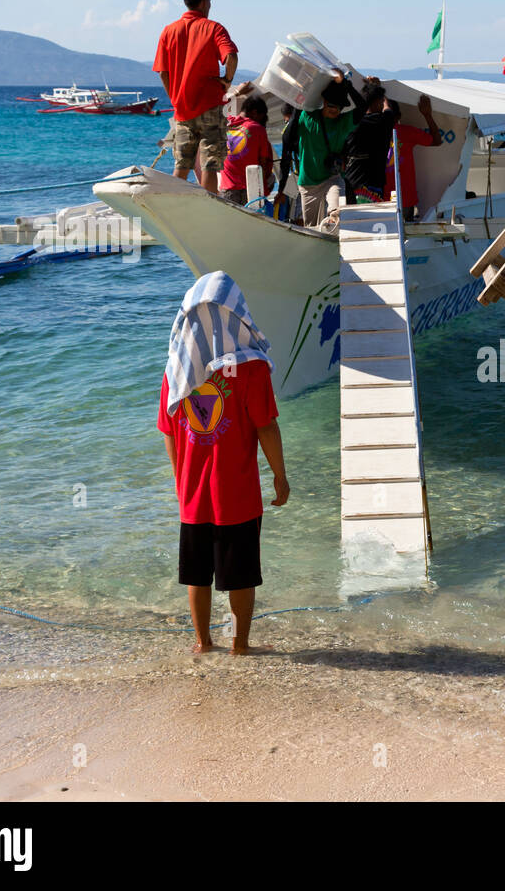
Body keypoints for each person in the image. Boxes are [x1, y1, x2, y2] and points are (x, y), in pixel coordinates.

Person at [158, 271, 290, 655]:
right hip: (239, 495)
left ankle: (202, 643)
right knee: (240, 577)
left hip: (193, 497)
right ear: (238, 313)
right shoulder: (251, 368)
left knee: (195, 576)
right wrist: (280, 477)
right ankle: (240, 645)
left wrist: (180, 478)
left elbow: (168, 428)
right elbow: (266, 427)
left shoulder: (177, 368)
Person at [154, 0, 241, 195]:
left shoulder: (168, 31)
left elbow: (163, 72)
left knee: (181, 165)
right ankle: (210, 212)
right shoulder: (213, 29)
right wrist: (227, 80)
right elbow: (230, 56)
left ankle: (176, 211)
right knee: (210, 165)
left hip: (182, 110)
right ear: (204, 1)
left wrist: (174, 97)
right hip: (210, 106)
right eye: (209, 0)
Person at [295, 69, 366, 226]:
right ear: (324, 102)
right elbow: (300, 100)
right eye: (332, 105)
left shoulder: (343, 122)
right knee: (311, 226)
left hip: (331, 178)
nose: (335, 109)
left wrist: (347, 85)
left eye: (339, 106)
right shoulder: (308, 118)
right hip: (308, 184)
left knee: (336, 211)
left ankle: (333, 224)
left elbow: (362, 108)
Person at [386, 94, 444, 221]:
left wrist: (427, 114)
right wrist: (427, 115)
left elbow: (436, 141)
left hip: (400, 199)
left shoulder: (406, 132)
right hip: (391, 199)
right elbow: (437, 141)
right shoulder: (405, 132)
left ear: (398, 117)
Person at [342, 79, 400, 204]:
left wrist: (371, 90)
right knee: (372, 219)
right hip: (374, 184)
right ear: (378, 101)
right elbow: (387, 107)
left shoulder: (351, 123)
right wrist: (377, 88)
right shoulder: (385, 121)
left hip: (351, 181)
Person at [220, 95, 275, 206]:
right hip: (250, 191)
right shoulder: (258, 129)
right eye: (262, 117)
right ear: (254, 112)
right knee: (272, 178)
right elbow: (264, 164)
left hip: (226, 189)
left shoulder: (226, 124)